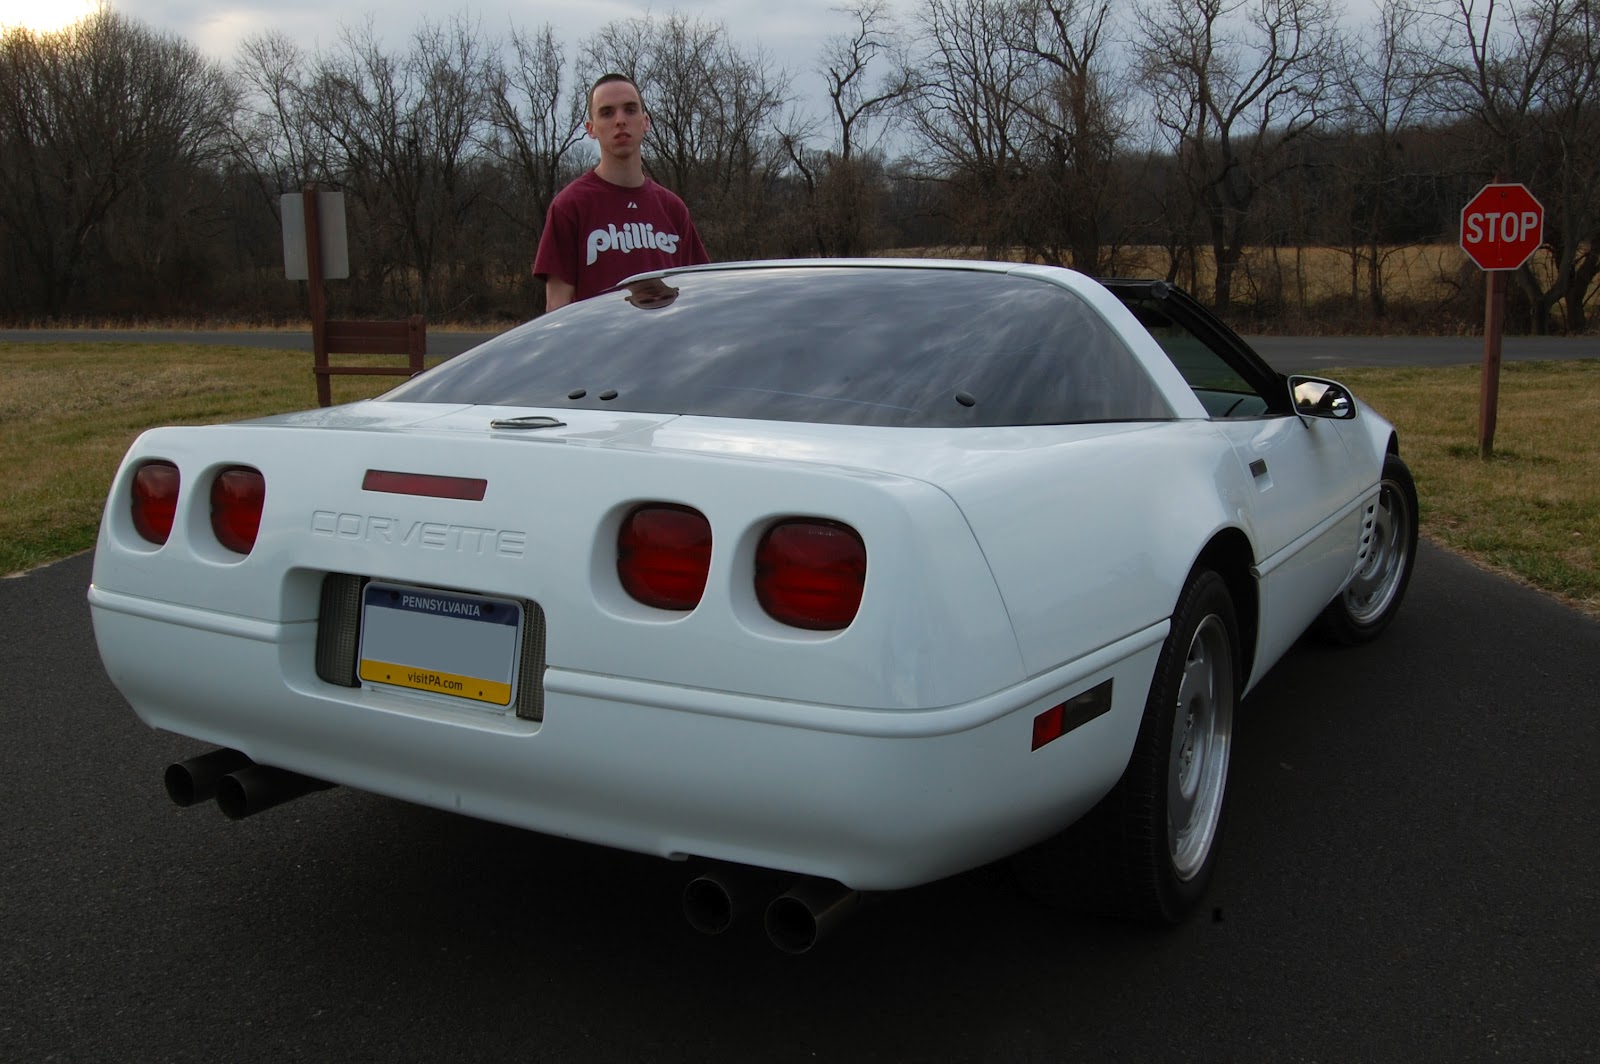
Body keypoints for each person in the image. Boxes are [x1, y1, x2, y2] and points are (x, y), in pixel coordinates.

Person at [533, 73, 709, 311]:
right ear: (591, 128)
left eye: (630, 109)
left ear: (645, 122)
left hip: (666, 347)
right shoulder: (569, 206)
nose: (620, 120)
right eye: (607, 113)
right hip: (600, 347)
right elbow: (556, 308)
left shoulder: (672, 209)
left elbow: (698, 295)